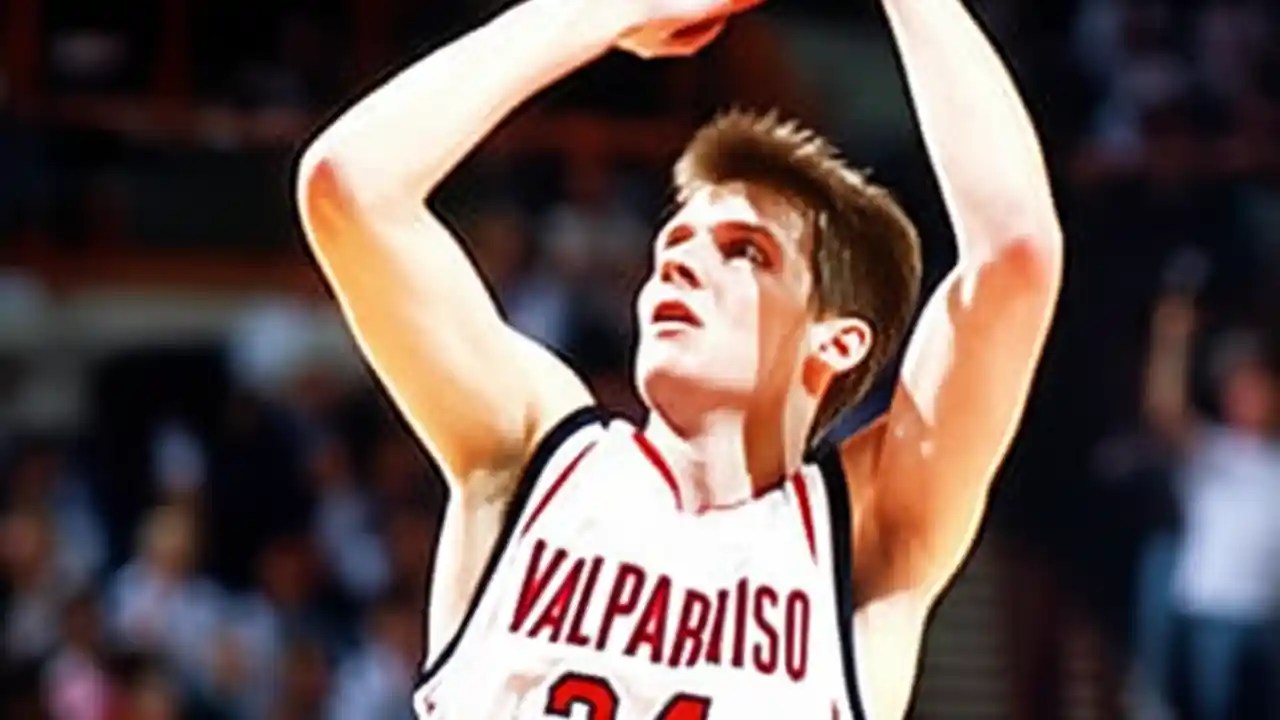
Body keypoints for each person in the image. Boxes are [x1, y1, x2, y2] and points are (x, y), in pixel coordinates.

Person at [294, 0, 1063, 716]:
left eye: (745, 253)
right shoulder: (536, 452)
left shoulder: (860, 536)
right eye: (674, 243)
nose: (680, 264)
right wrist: (602, 10)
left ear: (836, 338)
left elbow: (1016, 253)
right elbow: (351, 186)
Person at [1144, 291, 1280, 720]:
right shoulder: (1210, 451)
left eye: (1258, 390)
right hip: (1213, 613)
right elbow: (1164, 411)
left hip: (1268, 613)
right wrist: (1171, 341)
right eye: (1241, 390)